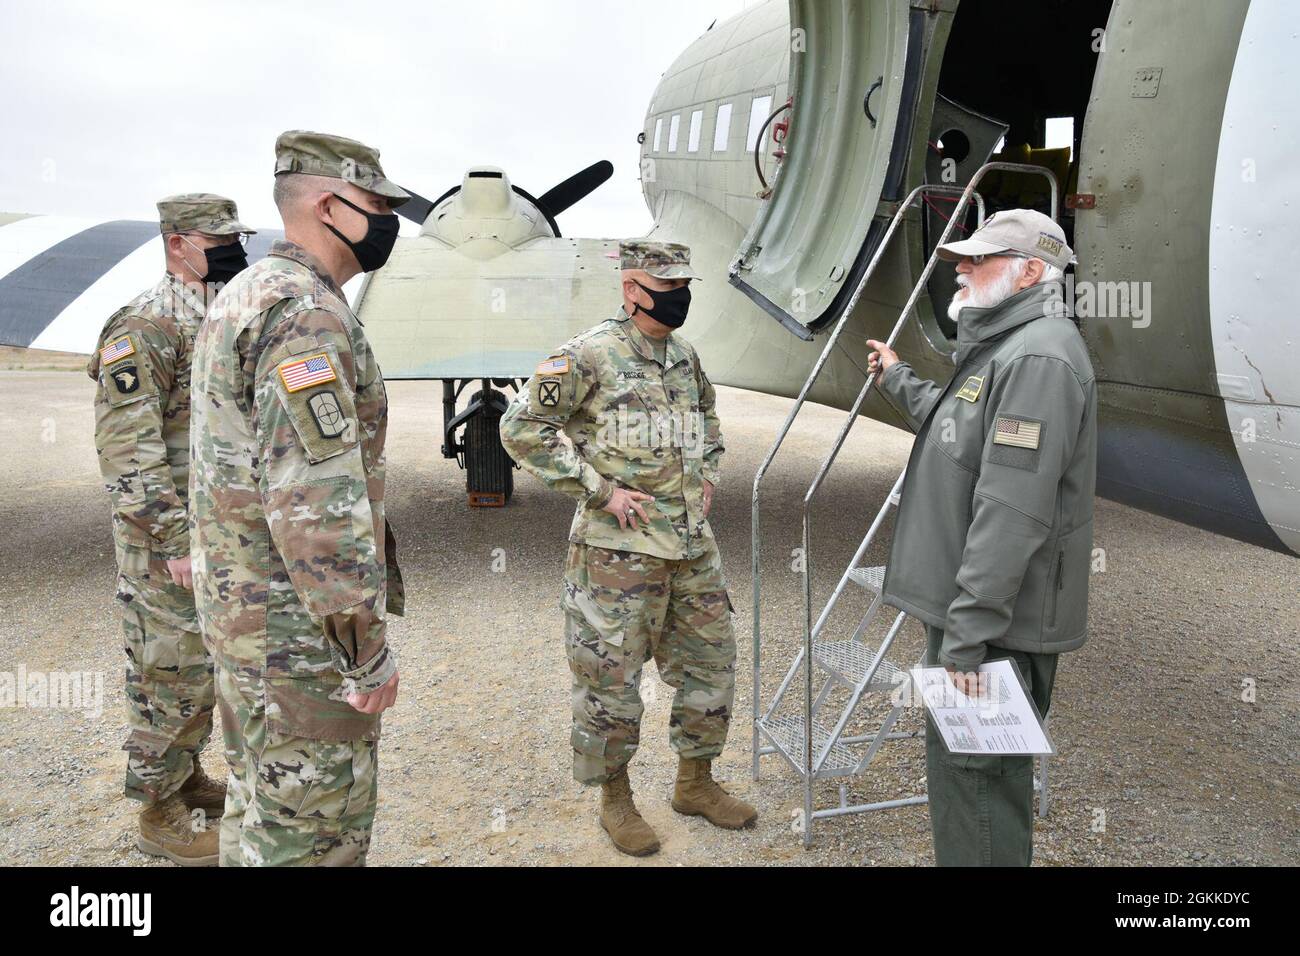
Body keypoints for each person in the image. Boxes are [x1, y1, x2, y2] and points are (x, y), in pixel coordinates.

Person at [190, 131, 407, 866]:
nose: (388, 220)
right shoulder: (304, 312)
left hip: (245, 619)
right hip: (296, 641)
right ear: (329, 205)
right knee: (312, 837)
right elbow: (314, 505)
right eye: (377, 205)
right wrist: (363, 650)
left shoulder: (245, 294)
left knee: (257, 807)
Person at [500, 239, 756, 857]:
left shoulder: (684, 355)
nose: (679, 296)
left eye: (683, 284)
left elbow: (709, 421)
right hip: (618, 556)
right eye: (665, 286)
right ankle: (615, 799)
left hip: (693, 547)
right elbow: (521, 428)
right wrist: (596, 489)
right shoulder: (587, 354)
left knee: (711, 665)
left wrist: (710, 475)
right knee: (610, 680)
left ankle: (695, 783)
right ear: (631, 289)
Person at [867, 208, 1097, 866]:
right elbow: (958, 428)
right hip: (976, 617)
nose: (962, 268)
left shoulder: (1041, 358)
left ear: (1032, 272)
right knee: (964, 783)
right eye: (963, 257)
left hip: (993, 627)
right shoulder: (1004, 348)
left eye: (980, 258)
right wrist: (895, 378)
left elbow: (1012, 512)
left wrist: (965, 641)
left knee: (979, 792)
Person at [89, 193, 254, 865]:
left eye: (233, 236)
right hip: (167, 548)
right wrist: (172, 540)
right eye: (216, 239)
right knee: (168, 672)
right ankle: (159, 812)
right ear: (177, 243)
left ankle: (186, 777)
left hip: (211, 538)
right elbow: (128, 449)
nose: (230, 249)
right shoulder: (146, 324)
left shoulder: (215, 316)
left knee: (204, 669)